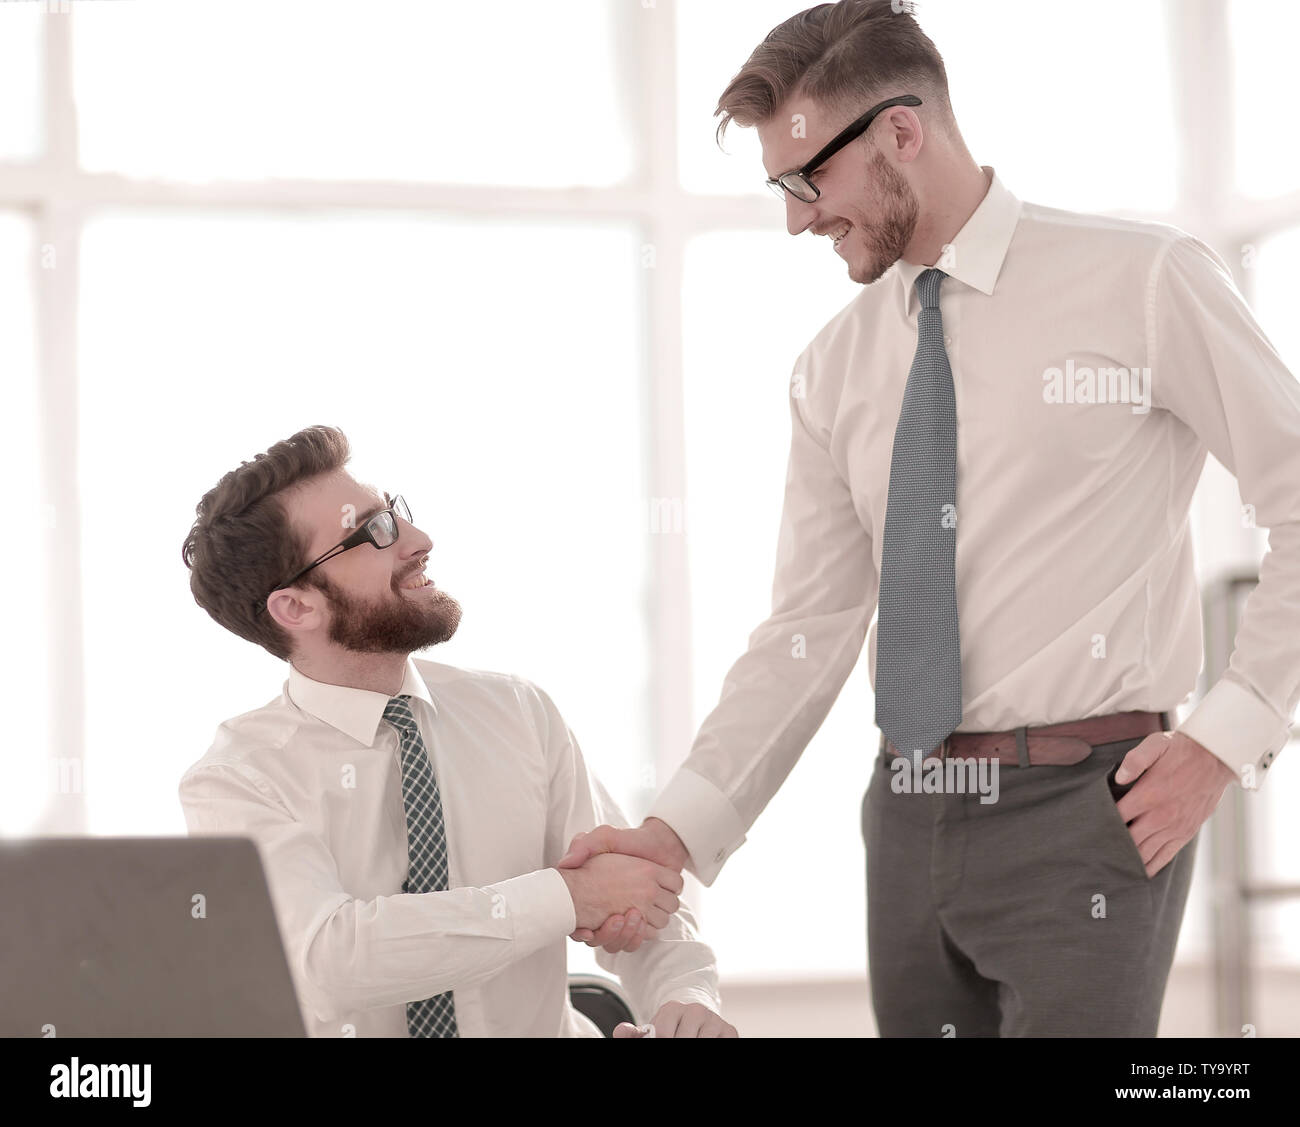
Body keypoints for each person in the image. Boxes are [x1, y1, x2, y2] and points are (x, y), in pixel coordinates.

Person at [557, 0, 1300, 1036]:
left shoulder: (1140, 280)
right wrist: (676, 830)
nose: (796, 217)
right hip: (904, 812)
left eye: (805, 178)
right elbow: (805, 630)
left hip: (1088, 805)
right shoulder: (834, 367)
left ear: (901, 132)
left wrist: (1223, 742)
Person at [177, 425, 736, 1038]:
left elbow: (637, 897)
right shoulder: (236, 781)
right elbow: (331, 962)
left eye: (395, 513)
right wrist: (566, 897)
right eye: (373, 532)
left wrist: (685, 997)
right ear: (298, 607)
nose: (418, 540)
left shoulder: (519, 713)